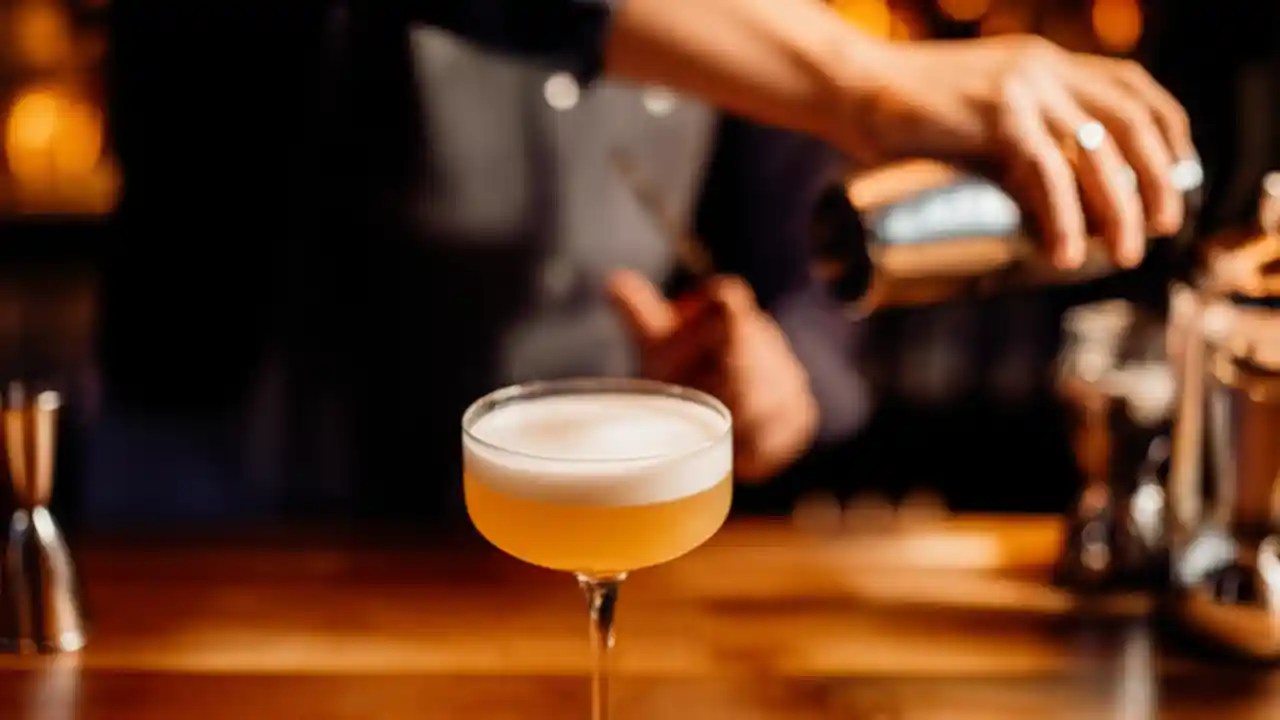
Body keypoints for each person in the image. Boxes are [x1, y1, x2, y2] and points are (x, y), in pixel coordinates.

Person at [86, 0, 1195, 523]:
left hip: (574, 516)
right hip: (235, 475)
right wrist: (863, 80)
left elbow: (794, 246)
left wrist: (782, 377)